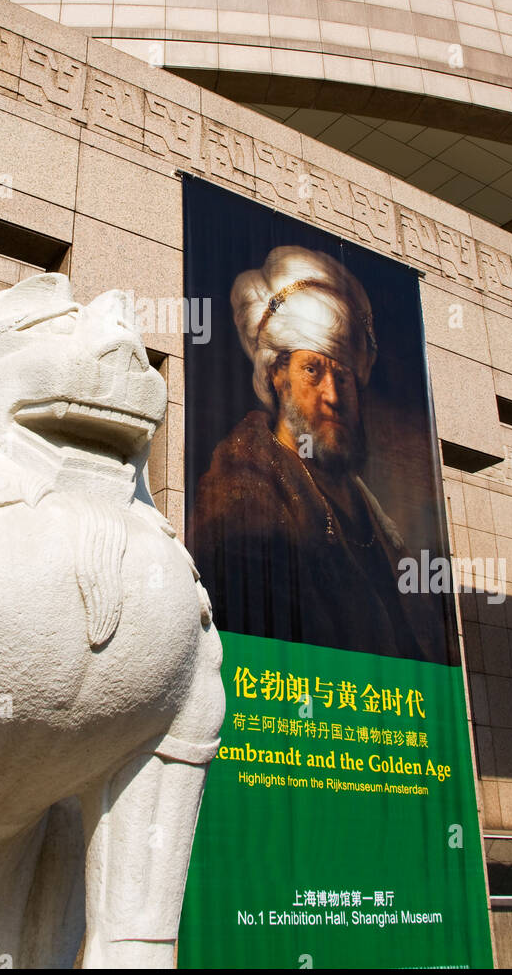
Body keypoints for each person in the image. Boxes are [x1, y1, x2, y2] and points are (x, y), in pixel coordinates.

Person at [189, 245, 449, 662]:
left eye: (343, 377)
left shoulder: (368, 507)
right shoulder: (242, 490)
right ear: (276, 374)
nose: (332, 395)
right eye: (313, 370)